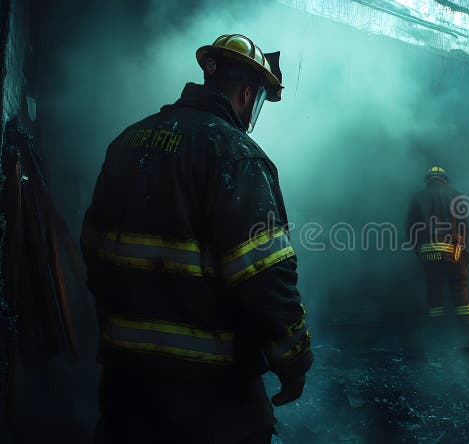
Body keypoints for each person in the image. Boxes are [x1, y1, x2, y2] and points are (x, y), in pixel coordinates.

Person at [80, 34, 312, 444]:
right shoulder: (236, 155)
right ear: (246, 93)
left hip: (126, 381)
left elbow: (94, 251)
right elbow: (265, 276)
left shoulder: (126, 142)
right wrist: (293, 361)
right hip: (211, 394)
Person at [406, 166, 469, 323]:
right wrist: (463, 247)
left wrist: (417, 248)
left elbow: (410, 226)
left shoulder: (418, 197)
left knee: (434, 289)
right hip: (452, 251)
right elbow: (464, 225)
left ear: (428, 180)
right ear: (445, 179)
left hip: (428, 253)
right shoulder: (455, 195)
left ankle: (437, 330)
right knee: (459, 288)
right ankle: (467, 326)